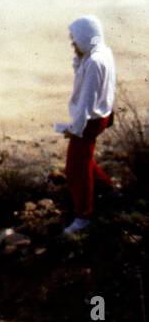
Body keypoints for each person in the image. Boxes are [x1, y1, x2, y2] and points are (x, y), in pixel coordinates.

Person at [55, 15, 117, 235]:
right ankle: (109, 189)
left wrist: (75, 129)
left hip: (88, 121)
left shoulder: (93, 62)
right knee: (85, 160)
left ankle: (84, 217)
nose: (72, 43)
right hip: (99, 117)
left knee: (75, 170)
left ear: (85, 37)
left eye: (75, 38)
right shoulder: (102, 53)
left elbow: (86, 102)